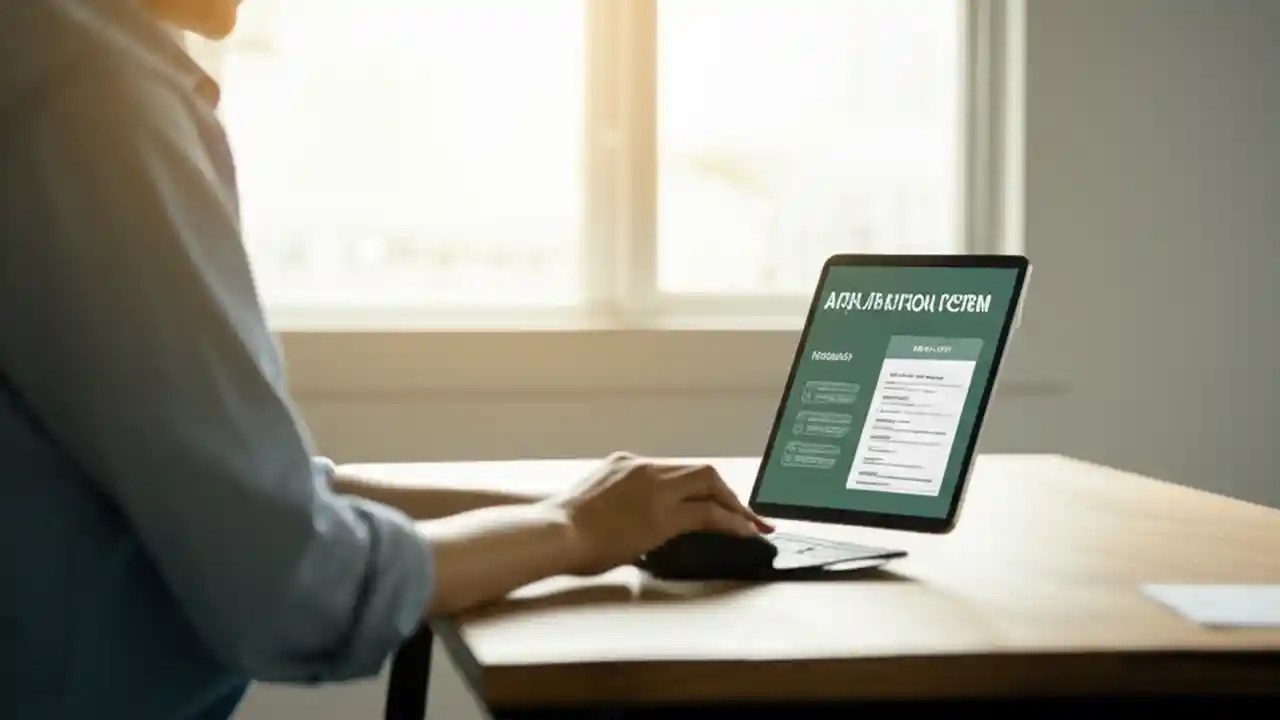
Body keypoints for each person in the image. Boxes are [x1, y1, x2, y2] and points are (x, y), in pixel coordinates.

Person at [0, 1, 773, 717]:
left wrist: (586, 508)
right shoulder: (88, 104)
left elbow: (257, 499)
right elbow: (292, 580)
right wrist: (569, 528)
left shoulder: (48, 62)